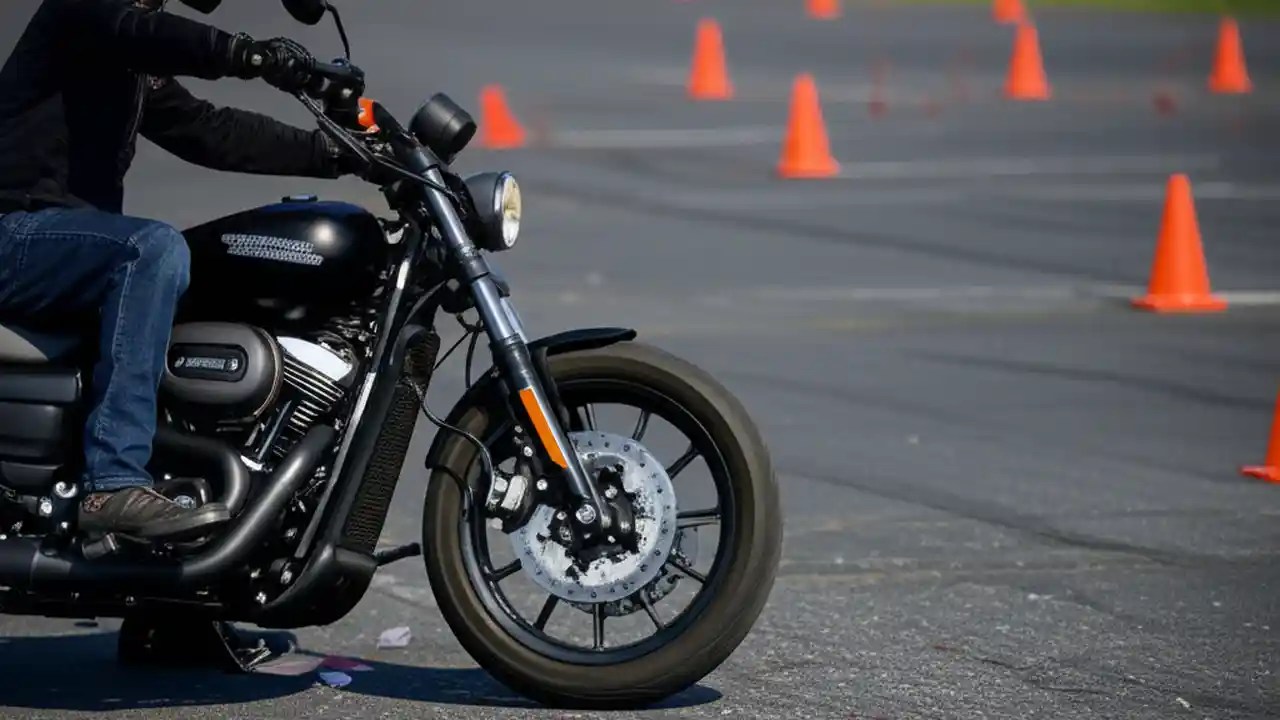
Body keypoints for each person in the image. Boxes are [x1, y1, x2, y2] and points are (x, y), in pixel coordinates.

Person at [0, 0, 361, 541]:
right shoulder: (85, 12)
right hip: (14, 233)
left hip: (64, 250)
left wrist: (336, 153)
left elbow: (208, 129)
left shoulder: (133, 64)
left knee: (207, 267)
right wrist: (247, 55)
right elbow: (139, 30)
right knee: (150, 250)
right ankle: (112, 485)